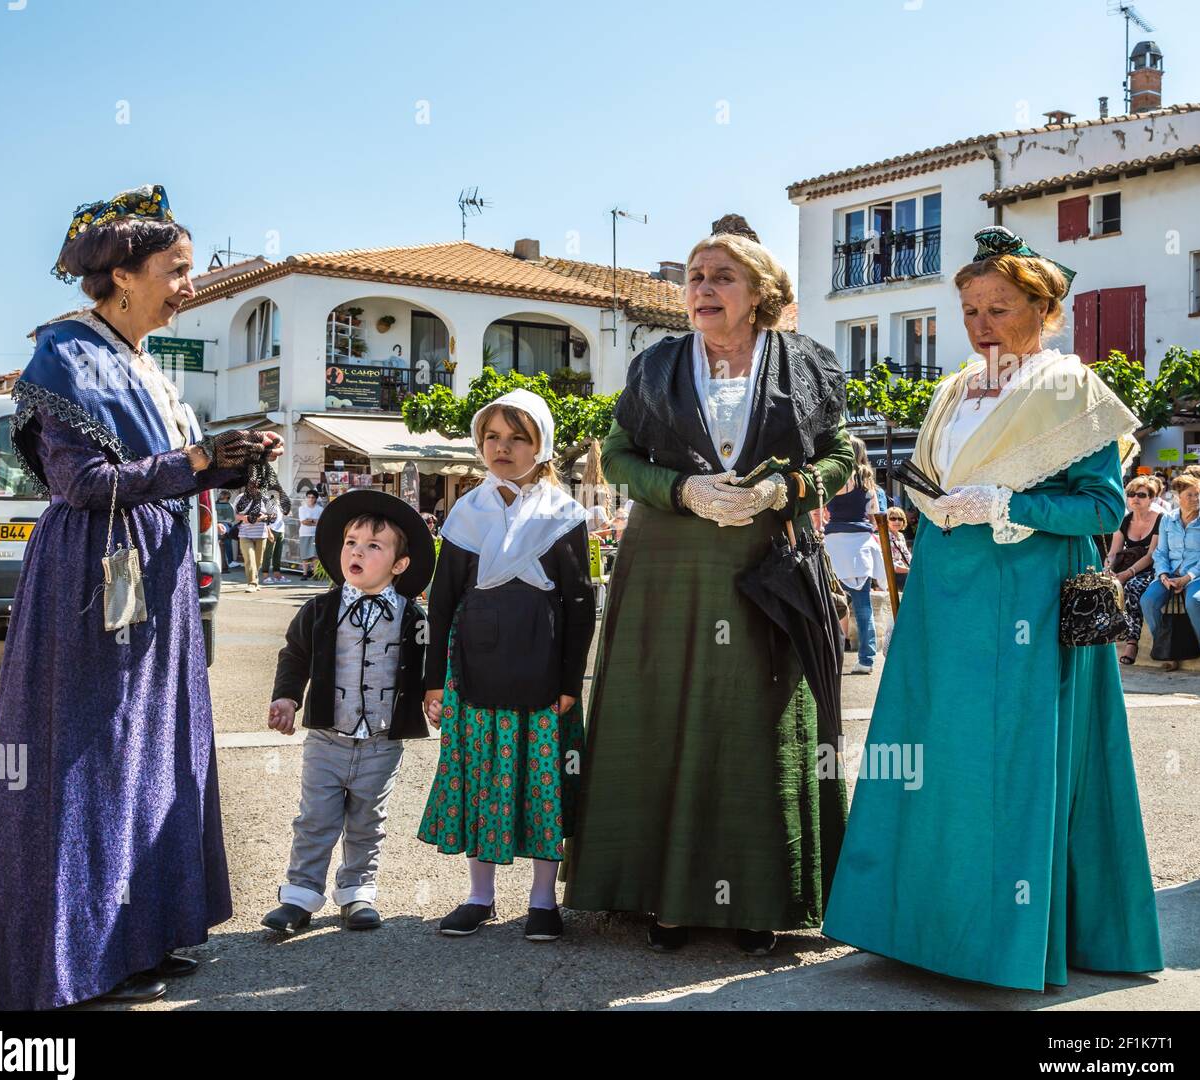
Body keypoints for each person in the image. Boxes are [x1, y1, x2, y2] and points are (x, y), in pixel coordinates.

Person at [0, 184, 285, 1009]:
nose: (191, 286)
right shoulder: (64, 354)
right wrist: (197, 462)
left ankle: (137, 937)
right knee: (90, 758)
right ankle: (72, 960)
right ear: (123, 275)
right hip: (92, 578)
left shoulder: (145, 365)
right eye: (177, 270)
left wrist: (229, 460)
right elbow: (84, 483)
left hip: (154, 573)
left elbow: (162, 475)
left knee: (151, 752)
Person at [822, 225, 1163, 991]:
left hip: (1026, 601)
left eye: (999, 308)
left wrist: (1007, 504)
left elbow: (1102, 506)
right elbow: (929, 479)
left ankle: (998, 944)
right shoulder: (952, 390)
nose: (981, 325)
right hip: (943, 596)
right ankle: (920, 927)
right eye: (971, 309)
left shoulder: (1071, 389)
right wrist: (931, 504)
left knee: (1003, 762)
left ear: (1043, 309)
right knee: (932, 756)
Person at [560, 229, 856, 956]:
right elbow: (617, 457)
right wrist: (682, 489)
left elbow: (841, 456)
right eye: (695, 275)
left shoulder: (808, 363)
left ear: (760, 293)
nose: (702, 288)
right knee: (662, 718)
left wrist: (788, 489)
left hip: (769, 566)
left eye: (722, 276)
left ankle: (758, 898)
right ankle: (664, 896)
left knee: (760, 721)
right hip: (667, 565)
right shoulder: (657, 364)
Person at [416, 390, 595, 942]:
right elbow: (442, 602)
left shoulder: (563, 515)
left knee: (543, 784)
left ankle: (543, 900)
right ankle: (479, 895)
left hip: (543, 675)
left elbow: (580, 604)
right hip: (474, 671)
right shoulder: (466, 514)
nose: (503, 447)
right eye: (492, 436)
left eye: (518, 438)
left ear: (542, 447)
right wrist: (434, 681)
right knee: (482, 779)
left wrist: (570, 682)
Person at [261, 491, 436, 934]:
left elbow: (427, 667)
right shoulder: (319, 610)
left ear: (399, 564)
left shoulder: (414, 618)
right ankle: (300, 896)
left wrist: (433, 698)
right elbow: (295, 655)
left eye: (373, 546)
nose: (357, 552)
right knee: (315, 819)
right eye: (351, 543)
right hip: (328, 738)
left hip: (382, 742)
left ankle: (358, 892)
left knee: (367, 821)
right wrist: (287, 698)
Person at [1140, 474, 1200, 674]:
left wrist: (1187, 578)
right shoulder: (1168, 519)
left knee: (1194, 600)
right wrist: (1163, 575)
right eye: (1190, 495)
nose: (1195, 499)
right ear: (1178, 497)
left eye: (1197, 494)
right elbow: (1160, 553)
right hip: (1170, 573)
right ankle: (1166, 648)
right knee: (1148, 601)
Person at [824, 435, 886, 674]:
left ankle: (833, 655)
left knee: (832, 603)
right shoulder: (867, 481)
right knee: (863, 605)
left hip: (834, 544)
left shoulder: (836, 477)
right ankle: (866, 660)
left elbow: (824, 508)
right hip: (861, 545)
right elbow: (874, 515)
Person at [1105, 475, 1161, 665]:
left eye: (1142, 495)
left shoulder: (1160, 519)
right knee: (1103, 587)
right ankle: (1103, 640)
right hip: (1127, 568)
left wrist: (1127, 574)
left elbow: (1151, 555)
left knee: (1132, 587)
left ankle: (1132, 641)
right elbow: (1113, 553)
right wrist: (1108, 570)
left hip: (1152, 569)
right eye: (1131, 494)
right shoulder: (1124, 521)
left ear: (1151, 498)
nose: (1135, 498)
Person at [236, 481, 277, 590]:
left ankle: (255, 579)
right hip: (245, 533)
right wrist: (244, 518)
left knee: (258, 561)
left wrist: (264, 519)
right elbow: (235, 515)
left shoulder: (266, 499)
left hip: (261, 533)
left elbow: (271, 516)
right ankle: (252, 583)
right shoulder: (240, 498)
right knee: (250, 559)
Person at [885, 506, 912, 592]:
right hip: (892, 574)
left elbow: (907, 555)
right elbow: (887, 564)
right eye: (893, 519)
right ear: (887, 521)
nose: (897, 521)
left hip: (904, 570)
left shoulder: (901, 536)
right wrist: (909, 570)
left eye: (900, 519)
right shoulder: (883, 537)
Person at [298, 489, 324, 578]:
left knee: (315, 555)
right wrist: (315, 521)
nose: (310, 499)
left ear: (316, 499)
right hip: (304, 534)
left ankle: (315, 574)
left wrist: (310, 520)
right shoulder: (302, 508)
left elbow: (321, 522)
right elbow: (303, 522)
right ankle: (305, 574)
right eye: (309, 497)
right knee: (305, 555)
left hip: (315, 534)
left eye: (313, 497)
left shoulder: (320, 509)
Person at [264, 493, 290, 583]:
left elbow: (284, 517)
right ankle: (265, 576)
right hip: (272, 530)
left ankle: (277, 575)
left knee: (277, 554)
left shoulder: (280, 505)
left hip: (280, 530)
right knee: (268, 554)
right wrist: (269, 532)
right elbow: (265, 520)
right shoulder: (269, 505)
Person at [215, 489, 238, 571]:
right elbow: (231, 518)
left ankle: (228, 561)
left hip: (219, 525)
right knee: (227, 542)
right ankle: (229, 561)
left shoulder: (215, 504)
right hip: (221, 525)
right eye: (228, 498)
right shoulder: (227, 505)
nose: (228, 499)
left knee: (225, 542)